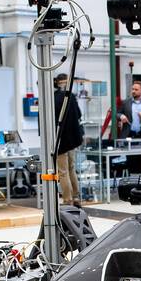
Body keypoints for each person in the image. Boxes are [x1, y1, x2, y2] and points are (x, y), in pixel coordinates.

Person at [54, 73, 84, 206]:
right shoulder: (71, 96)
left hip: (60, 140)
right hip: (73, 140)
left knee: (63, 171)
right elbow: (79, 114)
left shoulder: (54, 98)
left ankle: (67, 200)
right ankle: (76, 197)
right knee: (71, 168)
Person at [117, 80, 141, 175]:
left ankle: (140, 186)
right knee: (131, 164)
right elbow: (117, 113)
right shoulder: (125, 103)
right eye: (132, 89)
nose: (133, 91)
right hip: (129, 137)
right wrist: (121, 116)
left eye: (136, 89)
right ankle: (132, 186)